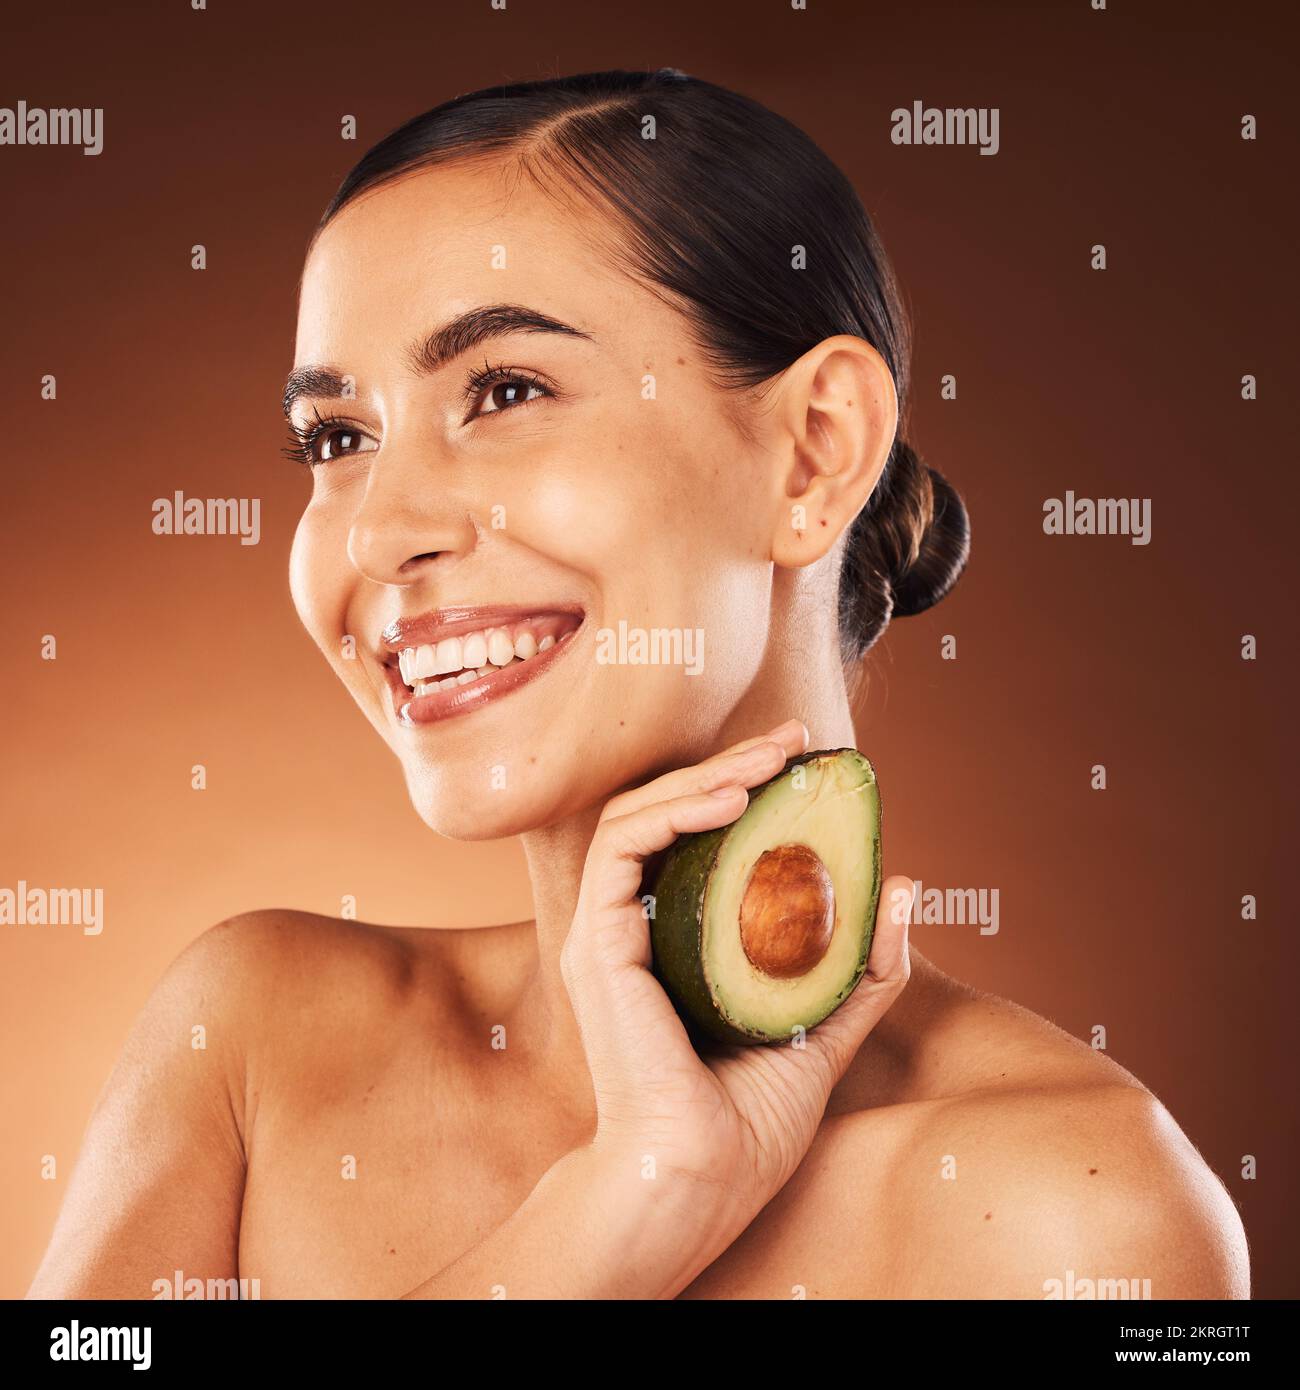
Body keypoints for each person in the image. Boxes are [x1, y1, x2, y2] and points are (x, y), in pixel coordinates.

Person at [29, 70, 1248, 1300]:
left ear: (812, 453)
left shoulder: (1084, 1214)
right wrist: (628, 1205)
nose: (375, 532)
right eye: (338, 440)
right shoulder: (250, 1040)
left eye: (505, 391)